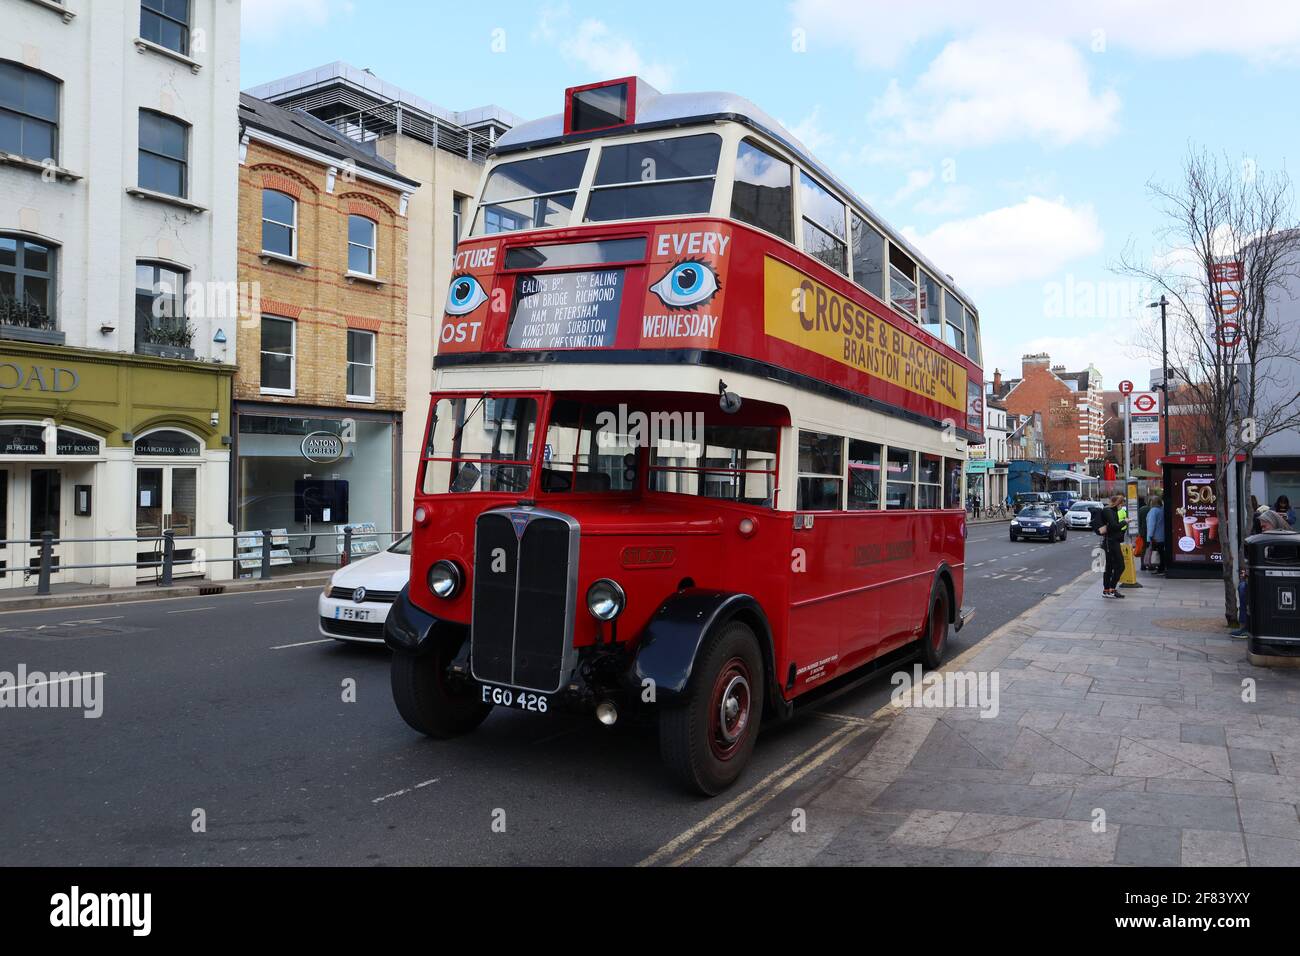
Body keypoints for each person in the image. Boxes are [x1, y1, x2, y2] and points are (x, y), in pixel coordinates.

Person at [1095, 494, 1127, 598]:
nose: (1122, 506)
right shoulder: (1108, 511)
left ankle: (1108, 590)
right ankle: (1110, 589)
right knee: (1119, 566)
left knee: (1110, 566)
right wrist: (1125, 522)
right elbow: (1114, 526)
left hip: (1111, 542)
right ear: (1118, 503)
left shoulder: (1111, 511)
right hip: (1111, 543)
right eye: (1122, 503)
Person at [1146, 495, 1165, 574]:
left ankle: (1159, 568)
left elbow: (1151, 524)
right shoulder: (1162, 510)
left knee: (1156, 552)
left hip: (1155, 536)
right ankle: (1162, 567)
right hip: (1162, 536)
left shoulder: (1153, 510)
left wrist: (1150, 535)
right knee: (1161, 552)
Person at [1138, 498, 1152, 570]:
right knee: (1151, 548)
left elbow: (1139, 521)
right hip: (1151, 531)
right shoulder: (1152, 510)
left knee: (1144, 547)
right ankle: (1150, 564)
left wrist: (1140, 531)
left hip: (1143, 531)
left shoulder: (1142, 509)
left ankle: (1142, 564)